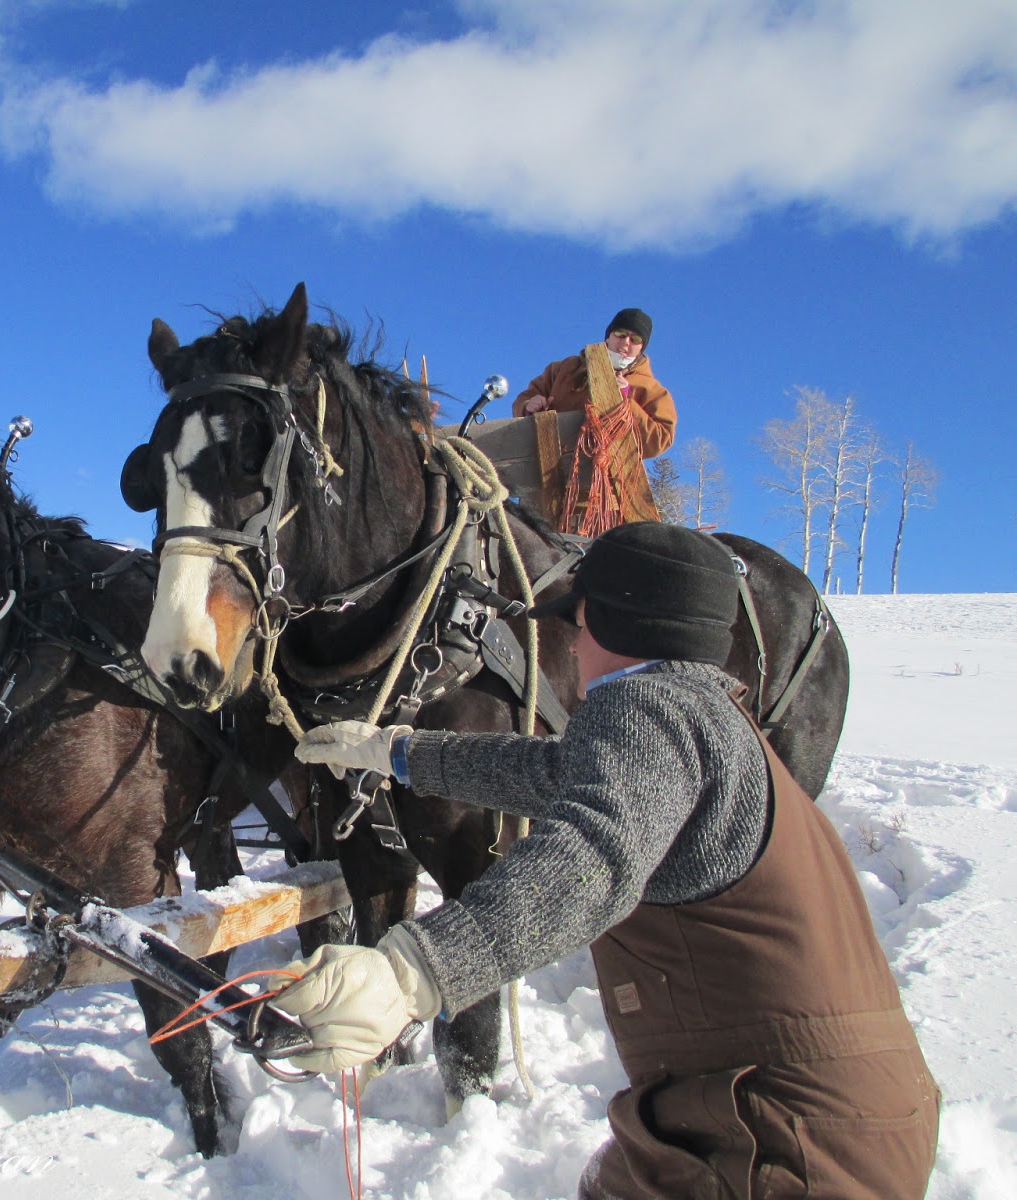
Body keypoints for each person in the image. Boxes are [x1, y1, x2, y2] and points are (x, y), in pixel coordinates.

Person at [277, 522, 938, 1199]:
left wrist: (412, 971)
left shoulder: (648, 711)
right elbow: (556, 771)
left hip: (777, 1143)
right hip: (811, 1115)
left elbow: (595, 856)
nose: (572, 642)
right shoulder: (704, 719)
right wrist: (395, 752)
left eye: (576, 621)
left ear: (611, 624)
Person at [513, 307, 677, 458]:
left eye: (635, 339)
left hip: (606, 481)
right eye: (620, 334)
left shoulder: (652, 390)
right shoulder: (564, 368)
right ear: (609, 336)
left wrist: (624, 403)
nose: (626, 342)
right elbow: (526, 398)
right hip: (549, 464)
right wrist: (528, 406)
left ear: (642, 347)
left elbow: (660, 439)